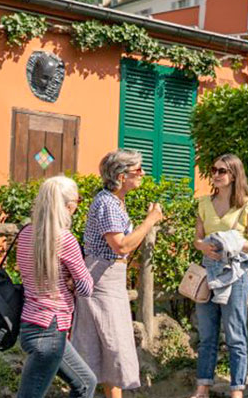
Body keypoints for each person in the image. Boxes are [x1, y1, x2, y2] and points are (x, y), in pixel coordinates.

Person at [72, 150, 164, 398]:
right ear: (122, 176)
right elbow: (121, 245)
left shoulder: (113, 201)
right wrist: (150, 220)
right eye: (138, 170)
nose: (143, 174)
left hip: (107, 278)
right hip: (102, 279)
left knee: (108, 349)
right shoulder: (107, 203)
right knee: (110, 347)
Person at [16, 176, 96, 398]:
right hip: (51, 329)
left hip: (30, 324)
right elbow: (86, 287)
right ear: (69, 205)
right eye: (78, 201)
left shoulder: (25, 234)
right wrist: (71, 281)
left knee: (86, 383)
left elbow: (29, 274)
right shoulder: (66, 240)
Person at [192, 154, 248, 398]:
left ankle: (237, 390)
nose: (215, 174)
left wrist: (232, 243)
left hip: (235, 275)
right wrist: (203, 246)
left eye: (221, 171)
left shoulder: (247, 206)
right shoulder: (203, 202)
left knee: (235, 334)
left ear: (233, 174)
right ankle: (202, 387)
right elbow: (197, 239)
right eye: (213, 170)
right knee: (207, 335)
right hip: (208, 273)